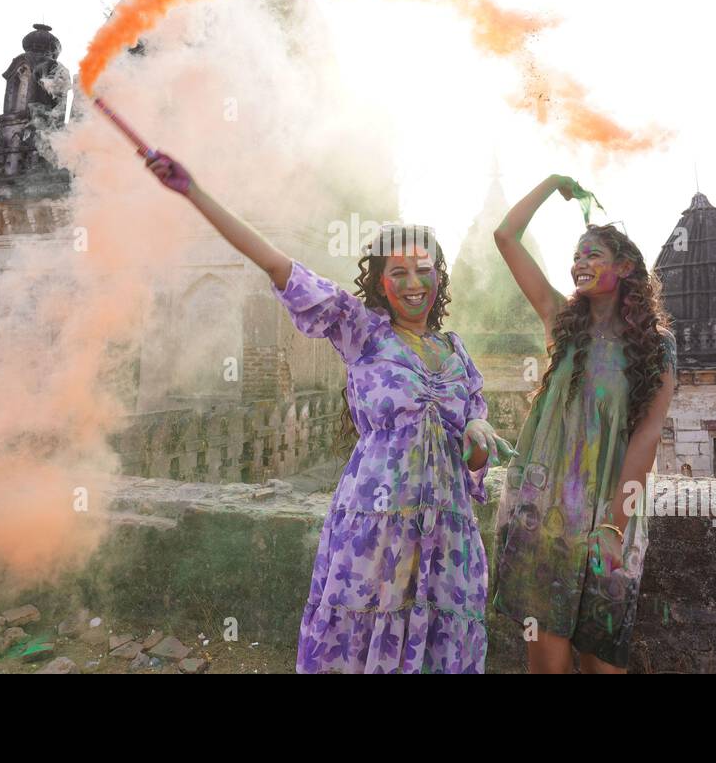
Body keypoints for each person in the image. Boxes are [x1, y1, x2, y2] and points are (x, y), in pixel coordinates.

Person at [145, 150, 515, 673]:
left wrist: (478, 431)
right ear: (380, 281)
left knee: (438, 646)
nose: (414, 284)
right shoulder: (361, 331)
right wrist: (194, 192)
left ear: (440, 277)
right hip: (374, 528)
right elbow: (278, 265)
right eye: (399, 272)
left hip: (445, 539)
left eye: (424, 271)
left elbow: (474, 461)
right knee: (361, 639)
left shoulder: (458, 356)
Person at [490, 174, 677, 673]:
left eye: (592, 254)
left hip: (607, 513)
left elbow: (647, 436)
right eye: (576, 256)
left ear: (625, 267)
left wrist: (614, 524)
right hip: (545, 508)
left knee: (600, 660)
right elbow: (505, 237)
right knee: (547, 658)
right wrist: (552, 183)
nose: (580, 264)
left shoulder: (656, 347)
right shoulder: (559, 322)